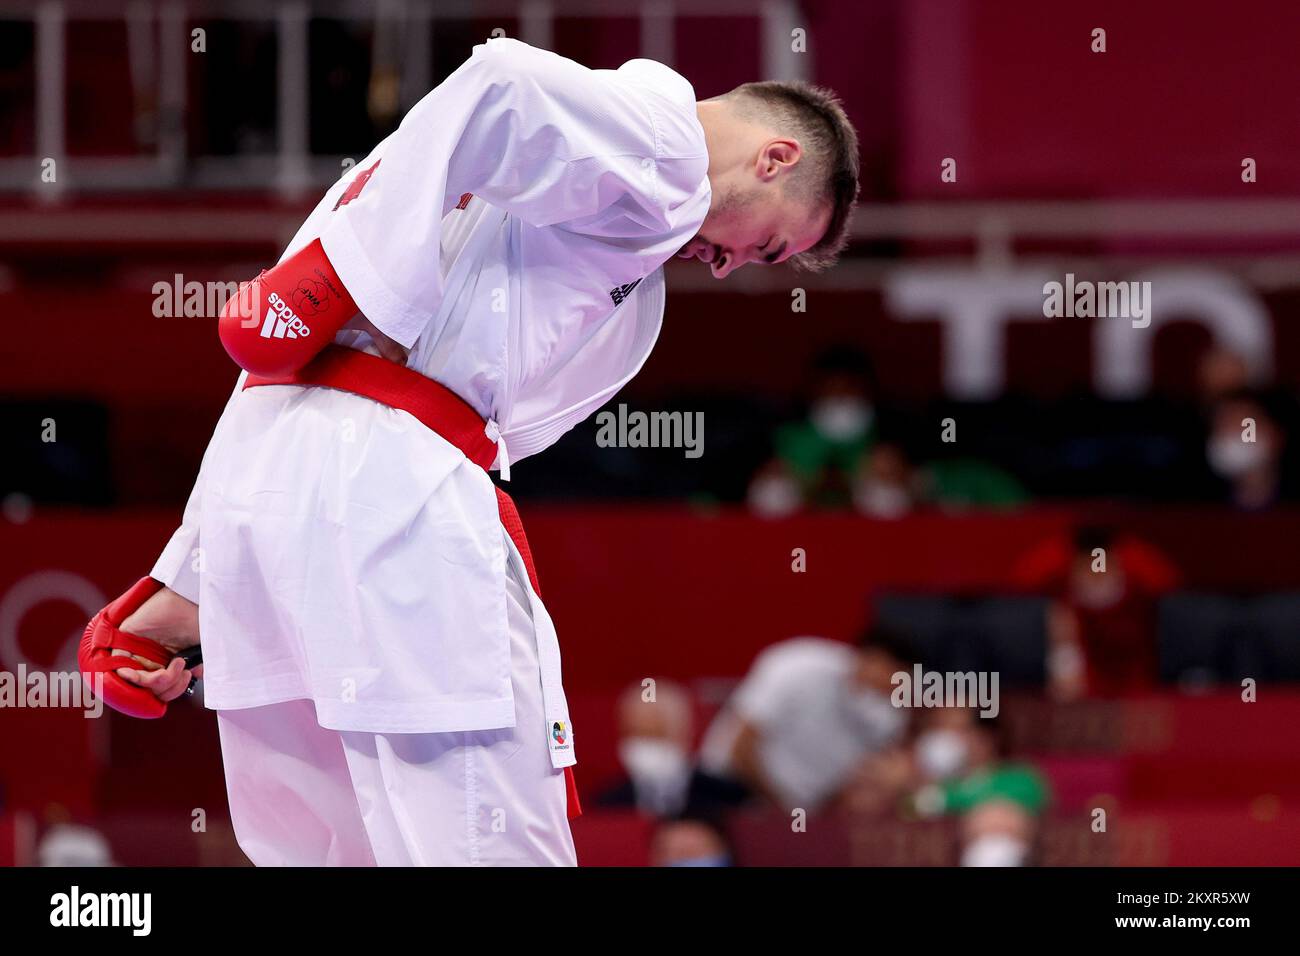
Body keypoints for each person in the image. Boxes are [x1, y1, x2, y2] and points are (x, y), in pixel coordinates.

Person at [78, 37, 861, 866]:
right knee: (491, 840)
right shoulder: (668, 153)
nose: (733, 266)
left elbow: (322, 390)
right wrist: (340, 275)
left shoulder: (603, 259)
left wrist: (190, 583)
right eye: (766, 246)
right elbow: (499, 79)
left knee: (332, 852)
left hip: (283, 490)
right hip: (398, 514)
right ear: (776, 158)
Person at [691, 628, 920, 814]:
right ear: (876, 661)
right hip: (726, 789)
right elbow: (740, 746)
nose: (898, 687)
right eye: (898, 676)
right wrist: (780, 804)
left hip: (802, 816)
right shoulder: (801, 667)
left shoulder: (888, 714)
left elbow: (868, 781)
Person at [597, 680, 695, 818]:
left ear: (685, 731)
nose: (646, 745)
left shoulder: (720, 797)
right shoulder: (607, 805)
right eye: (637, 734)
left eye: (656, 734)